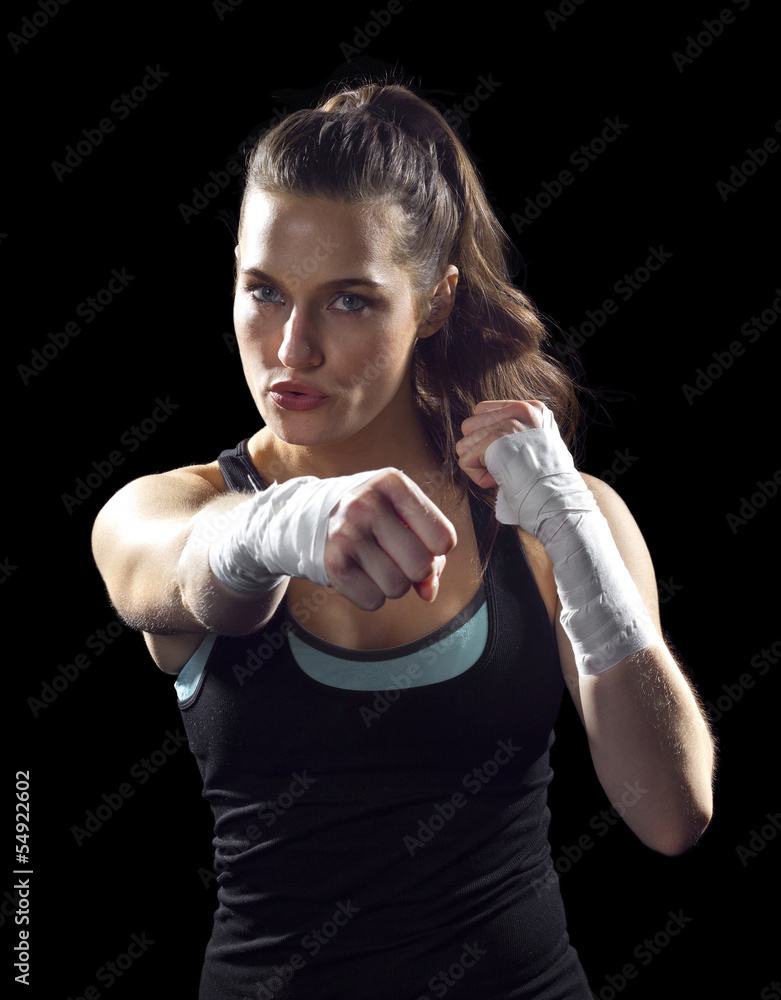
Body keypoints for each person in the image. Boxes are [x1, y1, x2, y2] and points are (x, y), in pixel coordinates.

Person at [91, 80, 715, 1000]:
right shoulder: (165, 509)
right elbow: (183, 572)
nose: (291, 349)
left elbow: (669, 815)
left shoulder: (553, 519)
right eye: (264, 291)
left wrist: (574, 533)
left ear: (433, 302)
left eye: (348, 301)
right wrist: (284, 522)